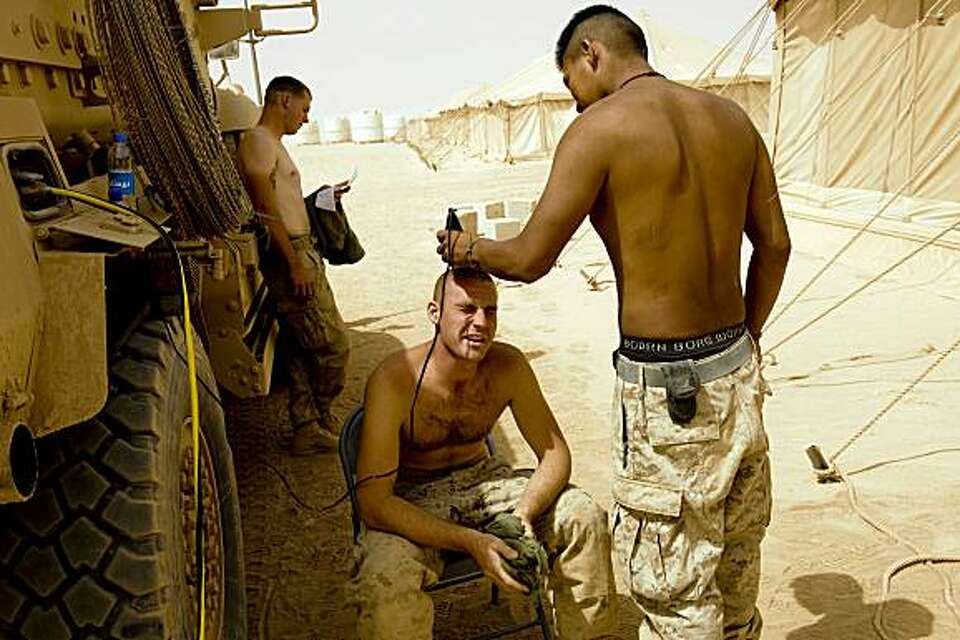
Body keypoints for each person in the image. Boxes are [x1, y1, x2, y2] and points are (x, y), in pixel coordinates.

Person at [437, 6, 791, 639]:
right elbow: (776, 246)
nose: (576, 100)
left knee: (674, 588)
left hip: (668, 391)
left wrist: (468, 249)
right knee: (734, 564)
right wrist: (750, 337)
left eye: (571, 83)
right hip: (737, 369)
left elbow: (528, 258)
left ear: (590, 54)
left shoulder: (597, 130)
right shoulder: (733, 119)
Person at [348, 267, 616, 640]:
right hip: (413, 498)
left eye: (490, 311)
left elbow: (555, 454)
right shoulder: (394, 378)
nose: (481, 323)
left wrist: (523, 515)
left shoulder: (508, 365)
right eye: (467, 309)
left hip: (486, 483)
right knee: (384, 576)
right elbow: (374, 503)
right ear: (434, 313)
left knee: (584, 516)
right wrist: (470, 541)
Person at [237, 76, 350, 454]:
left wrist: (322, 198)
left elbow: (282, 202)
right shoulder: (259, 141)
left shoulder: (271, 144)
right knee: (334, 345)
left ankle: (307, 428)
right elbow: (265, 209)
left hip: (300, 248)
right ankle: (320, 411)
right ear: (283, 100)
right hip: (292, 253)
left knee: (301, 347)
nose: (306, 118)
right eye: (304, 109)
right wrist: (294, 263)